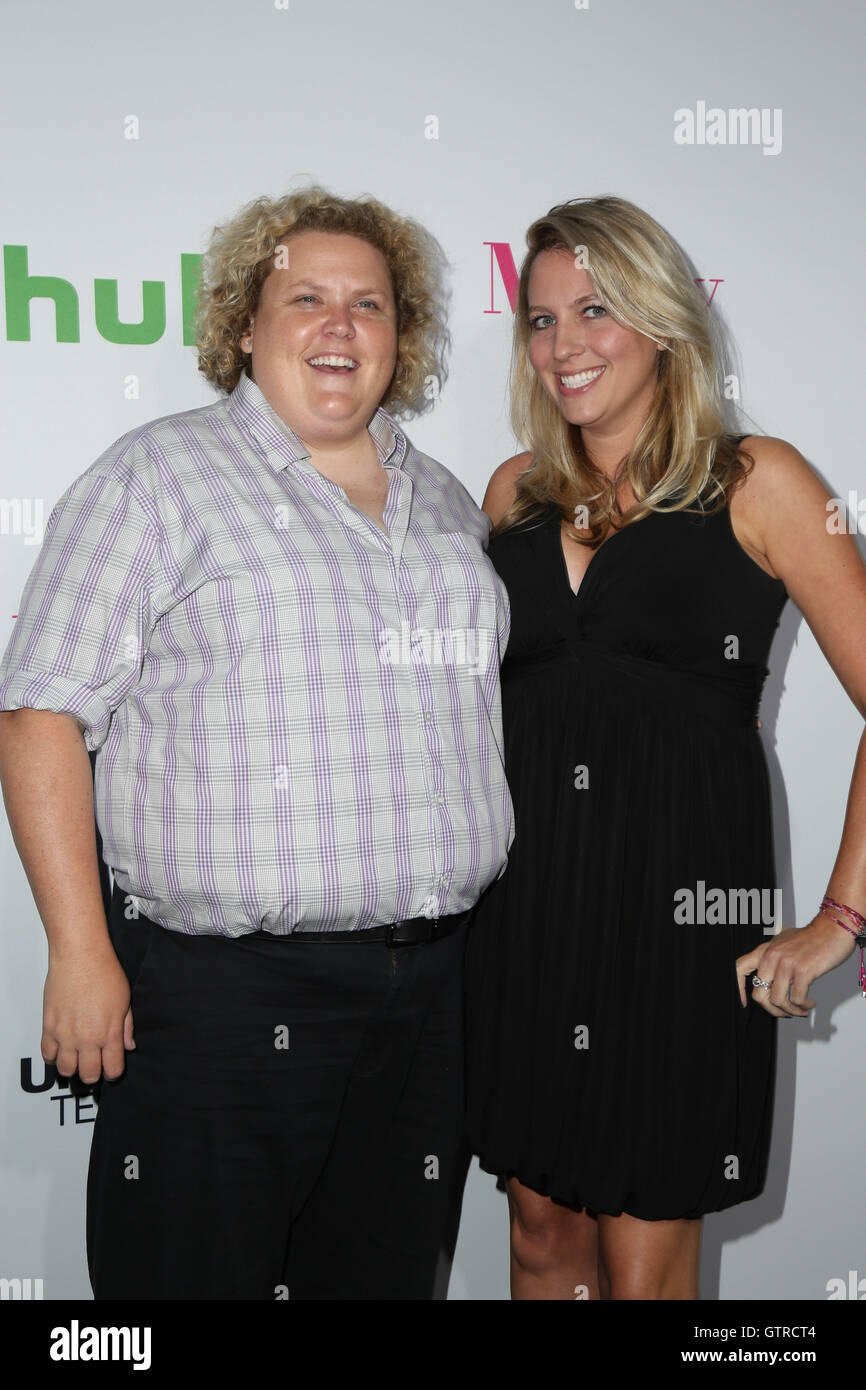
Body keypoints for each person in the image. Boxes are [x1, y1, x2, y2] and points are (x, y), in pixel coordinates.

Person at [0, 185, 514, 1300]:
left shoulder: (448, 507)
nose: (339, 327)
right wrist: (80, 949)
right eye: (306, 298)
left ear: (401, 336)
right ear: (244, 322)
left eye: (368, 305)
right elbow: (41, 710)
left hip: (428, 995)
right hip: (224, 999)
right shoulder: (156, 476)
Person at [464, 195, 866, 1300]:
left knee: (643, 1269)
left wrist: (841, 923)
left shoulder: (756, 481)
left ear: (661, 319)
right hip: (528, 913)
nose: (563, 345)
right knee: (541, 1235)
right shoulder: (513, 494)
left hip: (680, 922)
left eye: (593, 308)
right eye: (538, 320)